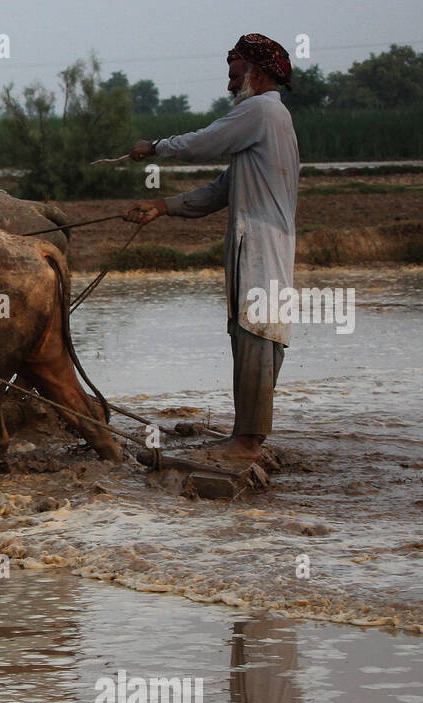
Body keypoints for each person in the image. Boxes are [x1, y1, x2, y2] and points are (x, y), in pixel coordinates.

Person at [124, 34, 300, 463]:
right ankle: (246, 438)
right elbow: (223, 188)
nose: (229, 85)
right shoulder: (268, 120)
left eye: (235, 74)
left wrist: (156, 148)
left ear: (257, 74)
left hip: (260, 246)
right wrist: (163, 207)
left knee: (256, 336)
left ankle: (246, 444)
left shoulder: (259, 110)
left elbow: (205, 141)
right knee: (251, 337)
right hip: (262, 246)